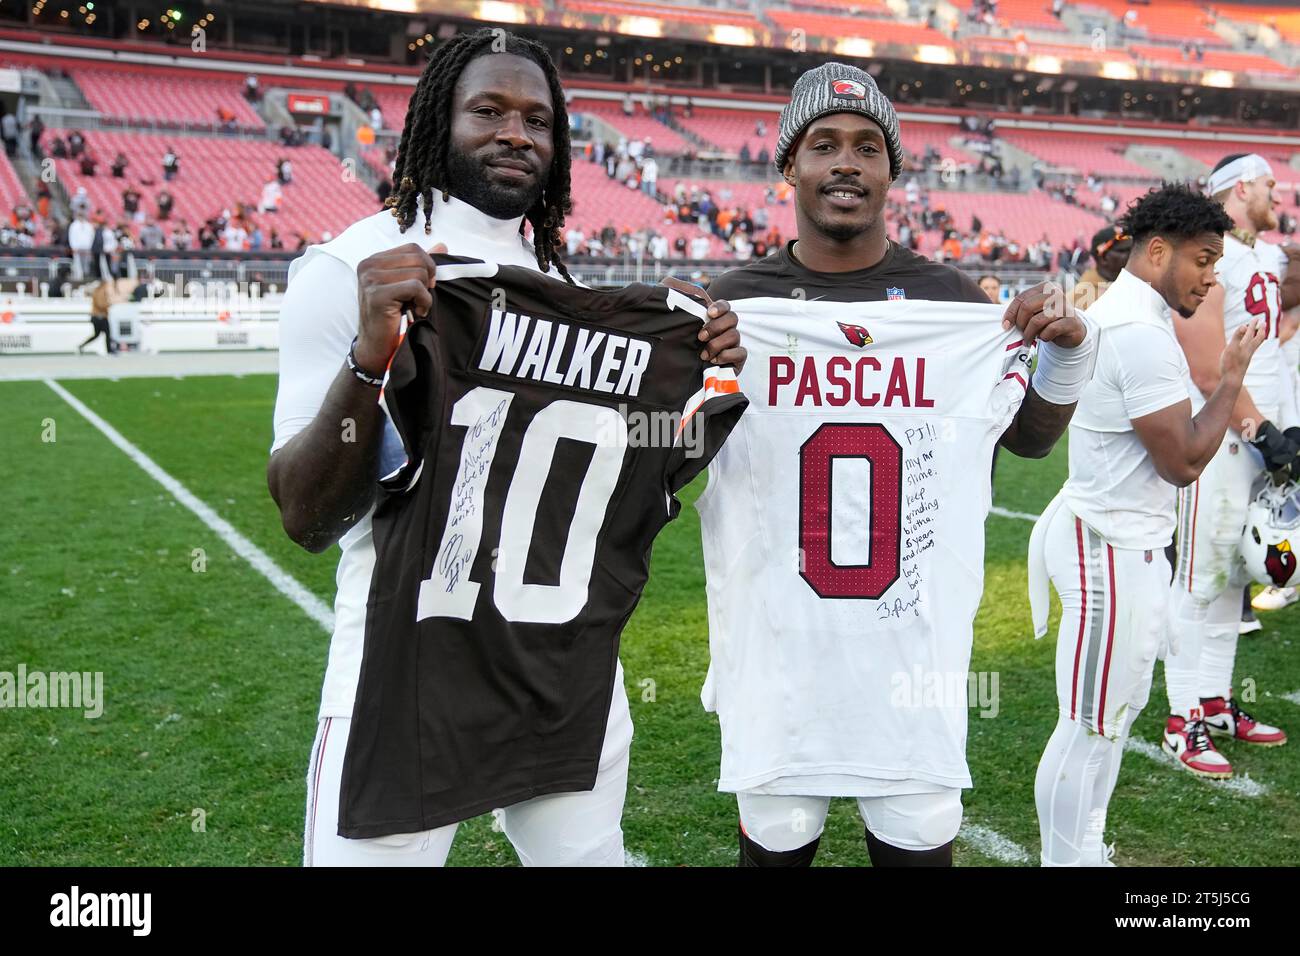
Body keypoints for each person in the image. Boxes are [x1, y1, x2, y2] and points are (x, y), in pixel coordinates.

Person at [266, 28, 744, 869]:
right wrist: (366, 361)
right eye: (487, 109)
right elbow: (305, 515)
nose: (516, 132)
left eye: (539, 119)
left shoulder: (571, 297)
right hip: (407, 667)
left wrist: (699, 383)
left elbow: (636, 463)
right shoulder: (349, 269)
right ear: (434, 121)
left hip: (563, 664)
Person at [697, 62, 1095, 868]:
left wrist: (1067, 354)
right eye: (824, 144)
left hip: (913, 671)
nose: (846, 162)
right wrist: (693, 375)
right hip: (777, 666)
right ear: (789, 166)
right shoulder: (733, 304)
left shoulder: (952, 305)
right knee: (771, 854)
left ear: (892, 171)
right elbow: (669, 459)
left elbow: (1028, 442)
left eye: (867, 146)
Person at [1029, 184, 1261, 867]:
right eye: (1203, 259)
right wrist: (1230, 379)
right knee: (1089, 726)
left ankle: (1083, 850)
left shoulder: (1137, 313)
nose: (1212, 276)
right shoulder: (1141, 331)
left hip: (1117, 538)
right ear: (1157, 250)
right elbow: (1184, 462)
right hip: (1108, 542)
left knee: (1111, 719)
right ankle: (1067, 860)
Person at [1162, 154, 1296, 774]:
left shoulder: (1266, 257)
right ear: (1241, 187)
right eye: (1270, 184)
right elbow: (1206, 359)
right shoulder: (1209, 255)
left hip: (1260, 437)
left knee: (1235, 578)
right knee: (1197, 576)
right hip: (1222, 436)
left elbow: (1274, 345)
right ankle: (1180, 717)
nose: (1278, 195)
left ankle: (1213, 702)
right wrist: (1258, 426)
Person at [1071, 224, 1133, 310]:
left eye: (1131, 250)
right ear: (1103, 257)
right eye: (1123, 250)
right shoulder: (1078, 299)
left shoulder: (1131, 290)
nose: (1131, 255)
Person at [78, 278, 118, 354]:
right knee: (107, 333)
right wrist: (109, 304)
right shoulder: (101, 291)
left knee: (97, 334)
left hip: (96, 316)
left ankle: (82, 345)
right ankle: (109, 350)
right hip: (100, 316)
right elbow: (101, 304)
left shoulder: (96, 291)